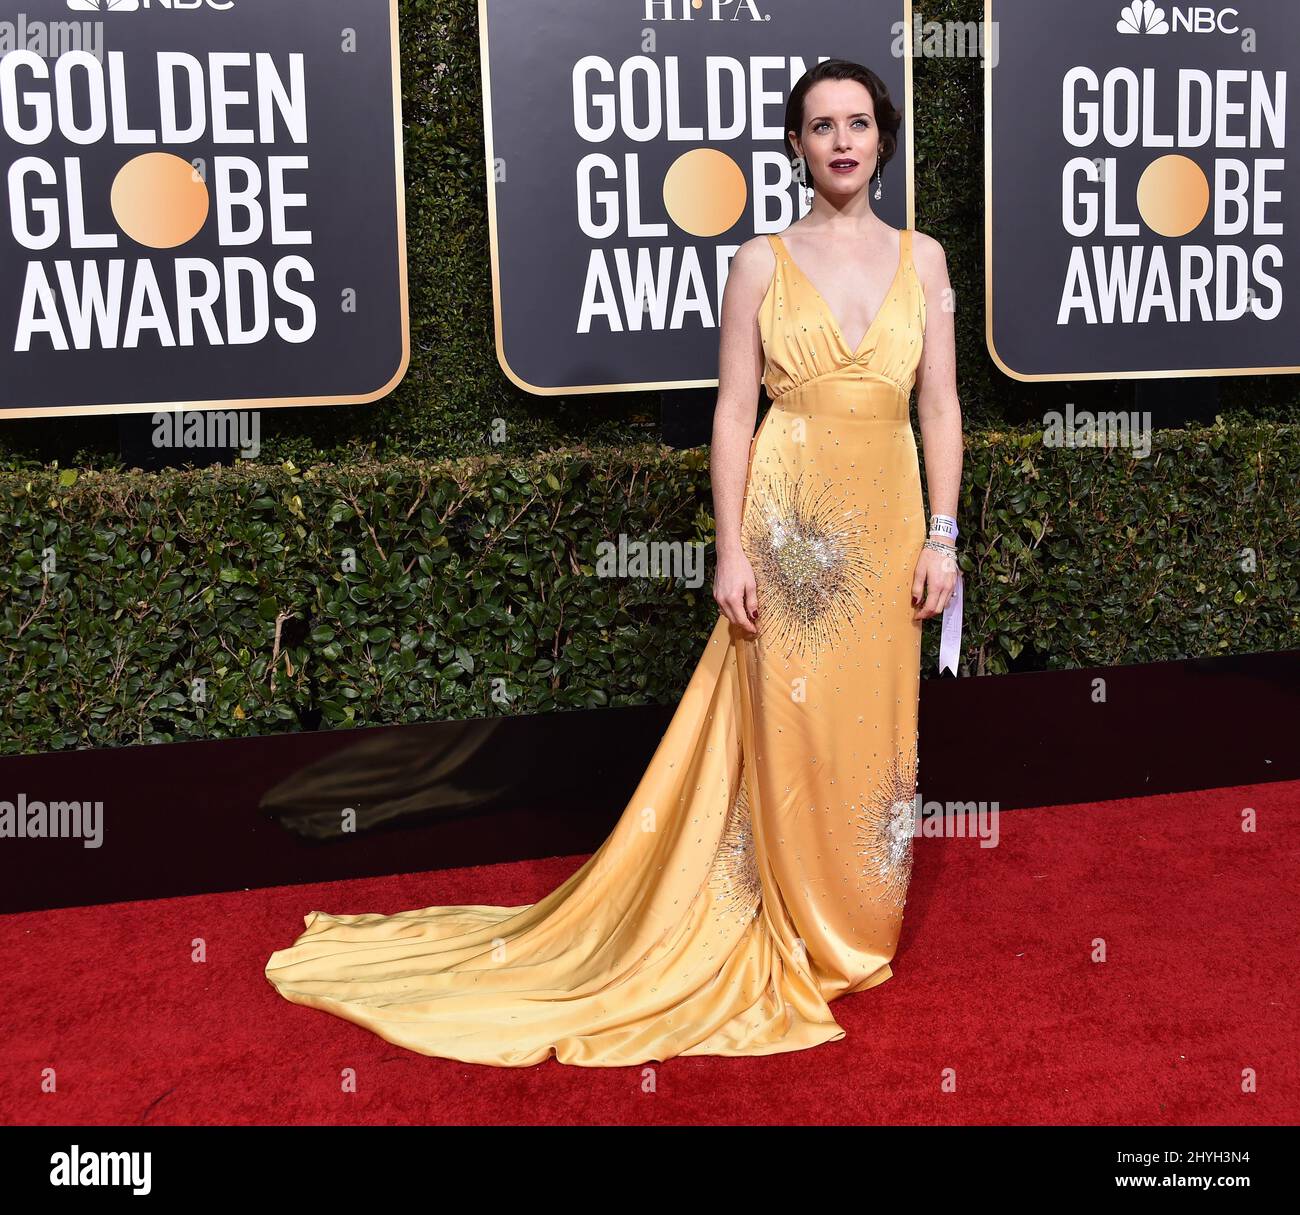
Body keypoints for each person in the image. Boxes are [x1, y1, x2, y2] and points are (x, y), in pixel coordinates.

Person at [264, 58, 963, 1067]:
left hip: (891, 520)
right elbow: (733, 412)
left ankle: (857, 919)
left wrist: (943, 535)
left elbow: (938, 405)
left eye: (858, 122)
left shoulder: (926, 260)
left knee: (876, 732)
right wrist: (729, 547)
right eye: (821, 125)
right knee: (789, 722)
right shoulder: (760, 261)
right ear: (797, 144)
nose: (842, 141)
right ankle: (789, 921)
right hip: (791, 522)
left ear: (882, 139)